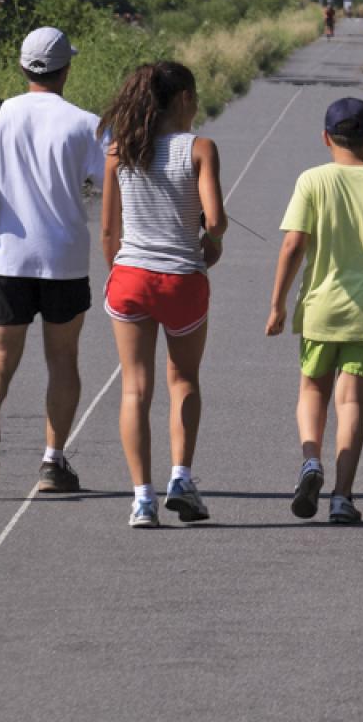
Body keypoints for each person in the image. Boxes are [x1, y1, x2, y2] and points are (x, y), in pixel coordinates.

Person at [0, 25, 108, 498]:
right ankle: (53, 463)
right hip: (64, 261)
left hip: (5, 260)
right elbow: (116, 181)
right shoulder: (86, 124)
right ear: (66, 69)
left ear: (22, 66)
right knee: (63, 360)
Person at [266, 96, 363, 525]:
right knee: (352, 403)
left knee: (313, 391)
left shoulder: (312, 181)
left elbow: (293, 245)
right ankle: (342, 497)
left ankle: (311, 459)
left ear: (325, 138)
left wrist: (277, 303)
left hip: (322, 311)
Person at [99, 60, 227, 529]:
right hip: (181, 278)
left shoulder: (120, 150)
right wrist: (212, 246)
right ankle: (181, 478)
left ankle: (141, 500)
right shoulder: (199, 148)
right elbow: (214, 222)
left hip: (131, 275)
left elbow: (109, 230)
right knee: (184, 380)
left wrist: (118, 270)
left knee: (135, 388)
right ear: (185, 99)